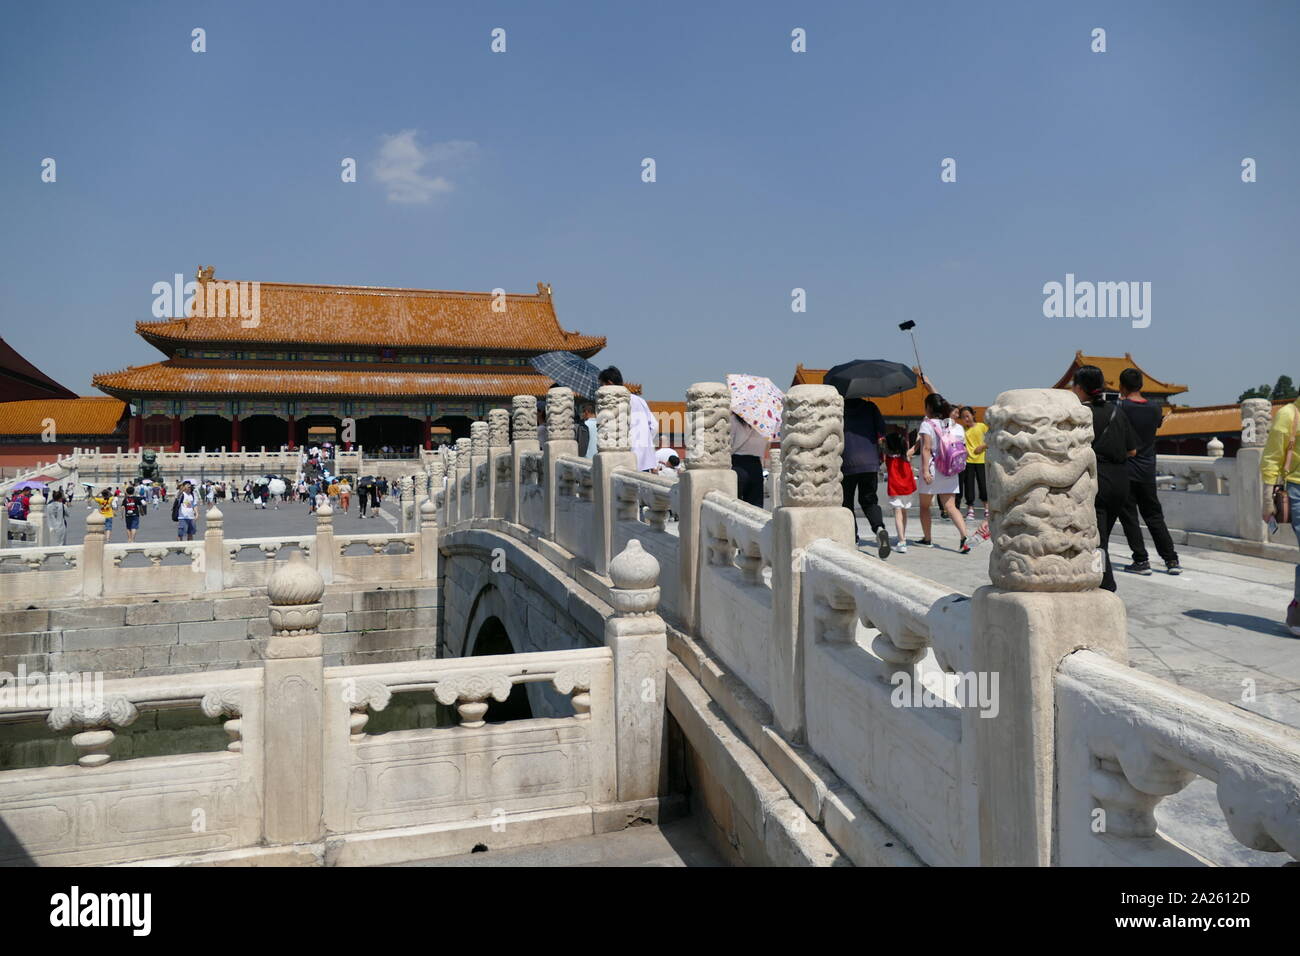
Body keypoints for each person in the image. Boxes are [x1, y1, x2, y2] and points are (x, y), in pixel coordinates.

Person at [1071, 365, 1138, 592]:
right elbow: (1132, 451)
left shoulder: (1081, 414)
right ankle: (1100, 579)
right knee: (1102, 535)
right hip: (1121, 481)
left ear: (1079, 388)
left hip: (1096, 480)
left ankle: (1104, 584)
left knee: (1096, 539)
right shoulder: (1117, 411)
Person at [1116, 368, 1181, 576]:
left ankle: (1141, 560)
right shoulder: (1155, 408)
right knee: (1154, 516)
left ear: (1121, 386)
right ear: (1141, 386)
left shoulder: (1120, 407)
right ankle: (1171, 559)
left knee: (1130, 518)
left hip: (1126, 469)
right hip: (1147, 469)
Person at [1260, 392, 1300, 635]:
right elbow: (1272, 457)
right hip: (1297, 490)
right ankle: (1297, 614)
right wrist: (1267, 498)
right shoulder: (1289, 415)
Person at [917, 393, 971, 552]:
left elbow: (926, 448)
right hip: (950, 469)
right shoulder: (956, 426)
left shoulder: (927, 424)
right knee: (951, 506)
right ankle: (964, 538)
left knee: (925, 507)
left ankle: (927, 539)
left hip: (933, 468)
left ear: (929, 408)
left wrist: (926, 471)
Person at [841, 399, 891, 557]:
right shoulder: (871, 407)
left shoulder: (838, 408)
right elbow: (881, 432)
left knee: (846, 502)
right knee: (869, 500)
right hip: (870, 461)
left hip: (847, 461)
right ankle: (879, 529)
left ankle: (853, 538)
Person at [597, 367, 659, 471]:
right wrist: (645, 441)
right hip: (645, 458)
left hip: (624, 457)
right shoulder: (640, 400)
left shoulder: (612, 403)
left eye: (601, 385)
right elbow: (654, 425)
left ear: (609, 383)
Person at [885, 428, 918, 553]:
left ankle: (902, 541)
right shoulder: (906, 457)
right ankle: (902, 536)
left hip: (895, 489)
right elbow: (913, 448)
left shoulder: (889, 459)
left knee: (898, 515)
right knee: (904, 513)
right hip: (907, 489)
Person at [730, 413, 767, 508]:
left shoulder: (734, 420)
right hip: (756, 466)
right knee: (756, 506)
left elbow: (728, 443)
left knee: (735, 505)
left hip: (737, 463)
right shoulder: (763, 422)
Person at [958, 407, 988, 520]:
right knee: (969, 486)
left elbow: (992, 437)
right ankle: (970, 509)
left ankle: (987, 508)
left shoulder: (982, 426)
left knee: (983, 485)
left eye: (967, 415)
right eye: (963, 417)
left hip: (981, 460)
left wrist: (983, 446)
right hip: (968, 461)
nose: (966, 419)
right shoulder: (962, 430)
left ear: (972, 415)